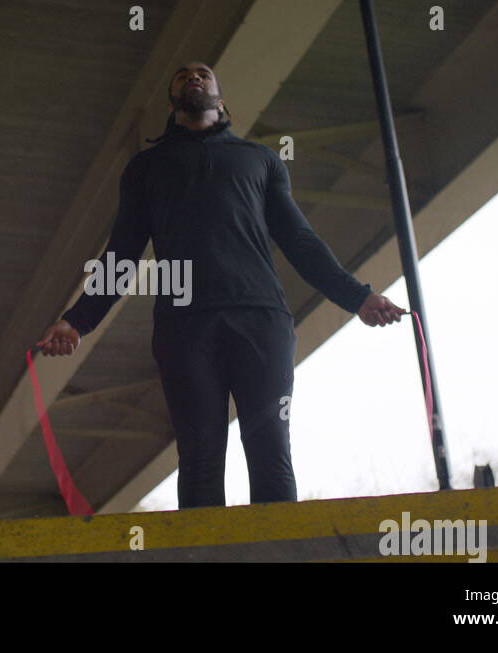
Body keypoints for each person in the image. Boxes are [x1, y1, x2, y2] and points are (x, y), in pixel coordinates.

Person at [36, 61, 405, 509]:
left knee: (270, 447)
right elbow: (123, 252)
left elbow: (300, 240)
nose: (193, 76)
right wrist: (77, 321)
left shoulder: (260, 160)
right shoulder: (146, 168)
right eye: (182, 75)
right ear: (172, 100)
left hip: (262, 318)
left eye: (203, 74)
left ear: (221, 98)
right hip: (183, 327)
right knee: (198, 454)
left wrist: (358, 297)